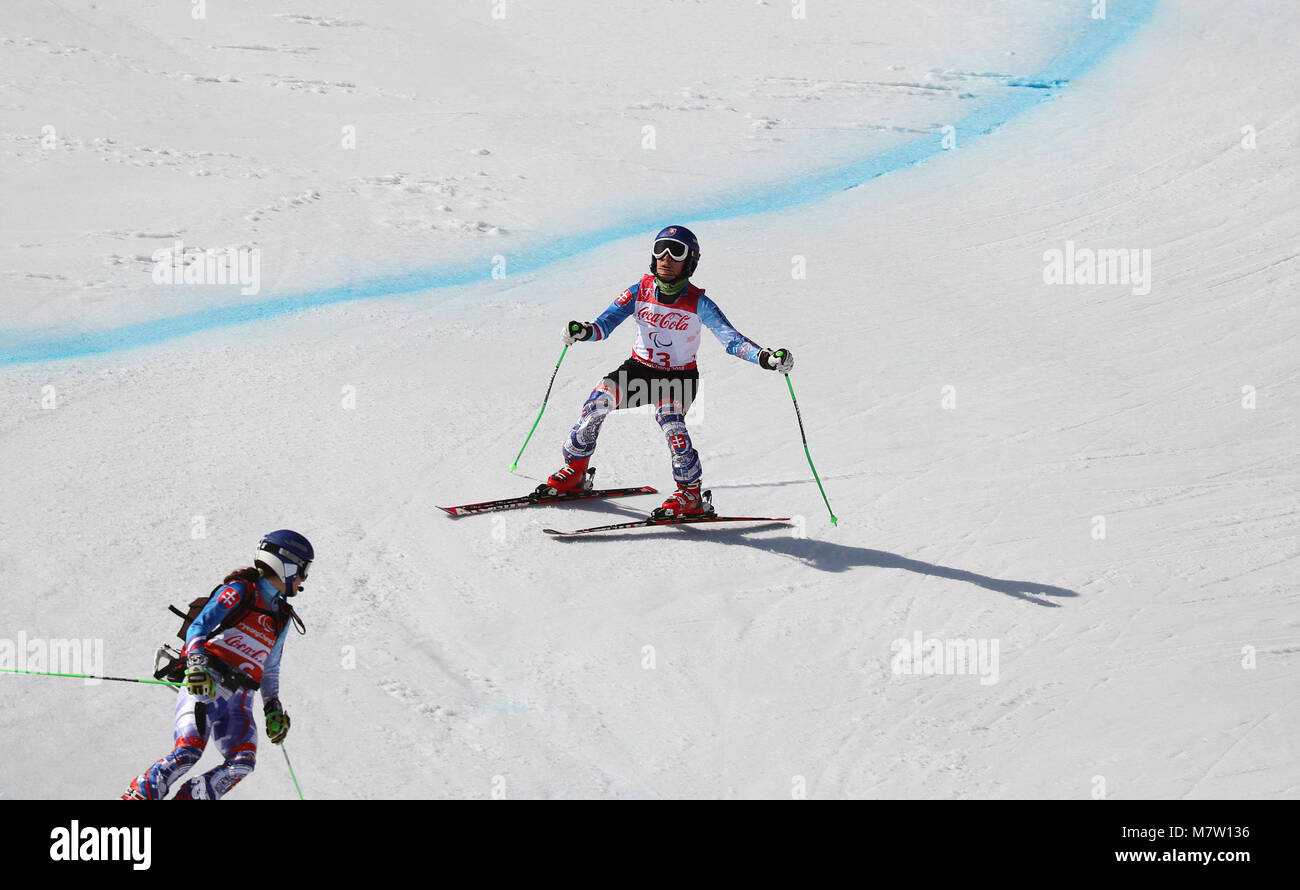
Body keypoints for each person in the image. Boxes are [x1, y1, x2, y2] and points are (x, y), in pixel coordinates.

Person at [540, 225, 794, 518]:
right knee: (596, 404)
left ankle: (690, 494)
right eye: (660, 249)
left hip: (679, 378)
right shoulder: (639, 291)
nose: (666, 258)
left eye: (676, 252)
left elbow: (732, 340)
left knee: (671, 422)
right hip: (639, 371)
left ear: (690, 261)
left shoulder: (699, 302)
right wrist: (583, 331)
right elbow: (603, 325)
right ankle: (575, 473)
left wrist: (765, 358)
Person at [123, 530, 312, 800]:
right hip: (207, 683)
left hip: (240, 699)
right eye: (304, 570)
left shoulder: (281, 617)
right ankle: (138, 796)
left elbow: (269, 669)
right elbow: (199, 626)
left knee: (242, 762)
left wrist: (273, 708)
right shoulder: (241, 590)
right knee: (189, 751)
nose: (304, 579)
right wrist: (197, 666)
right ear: (288, 564)